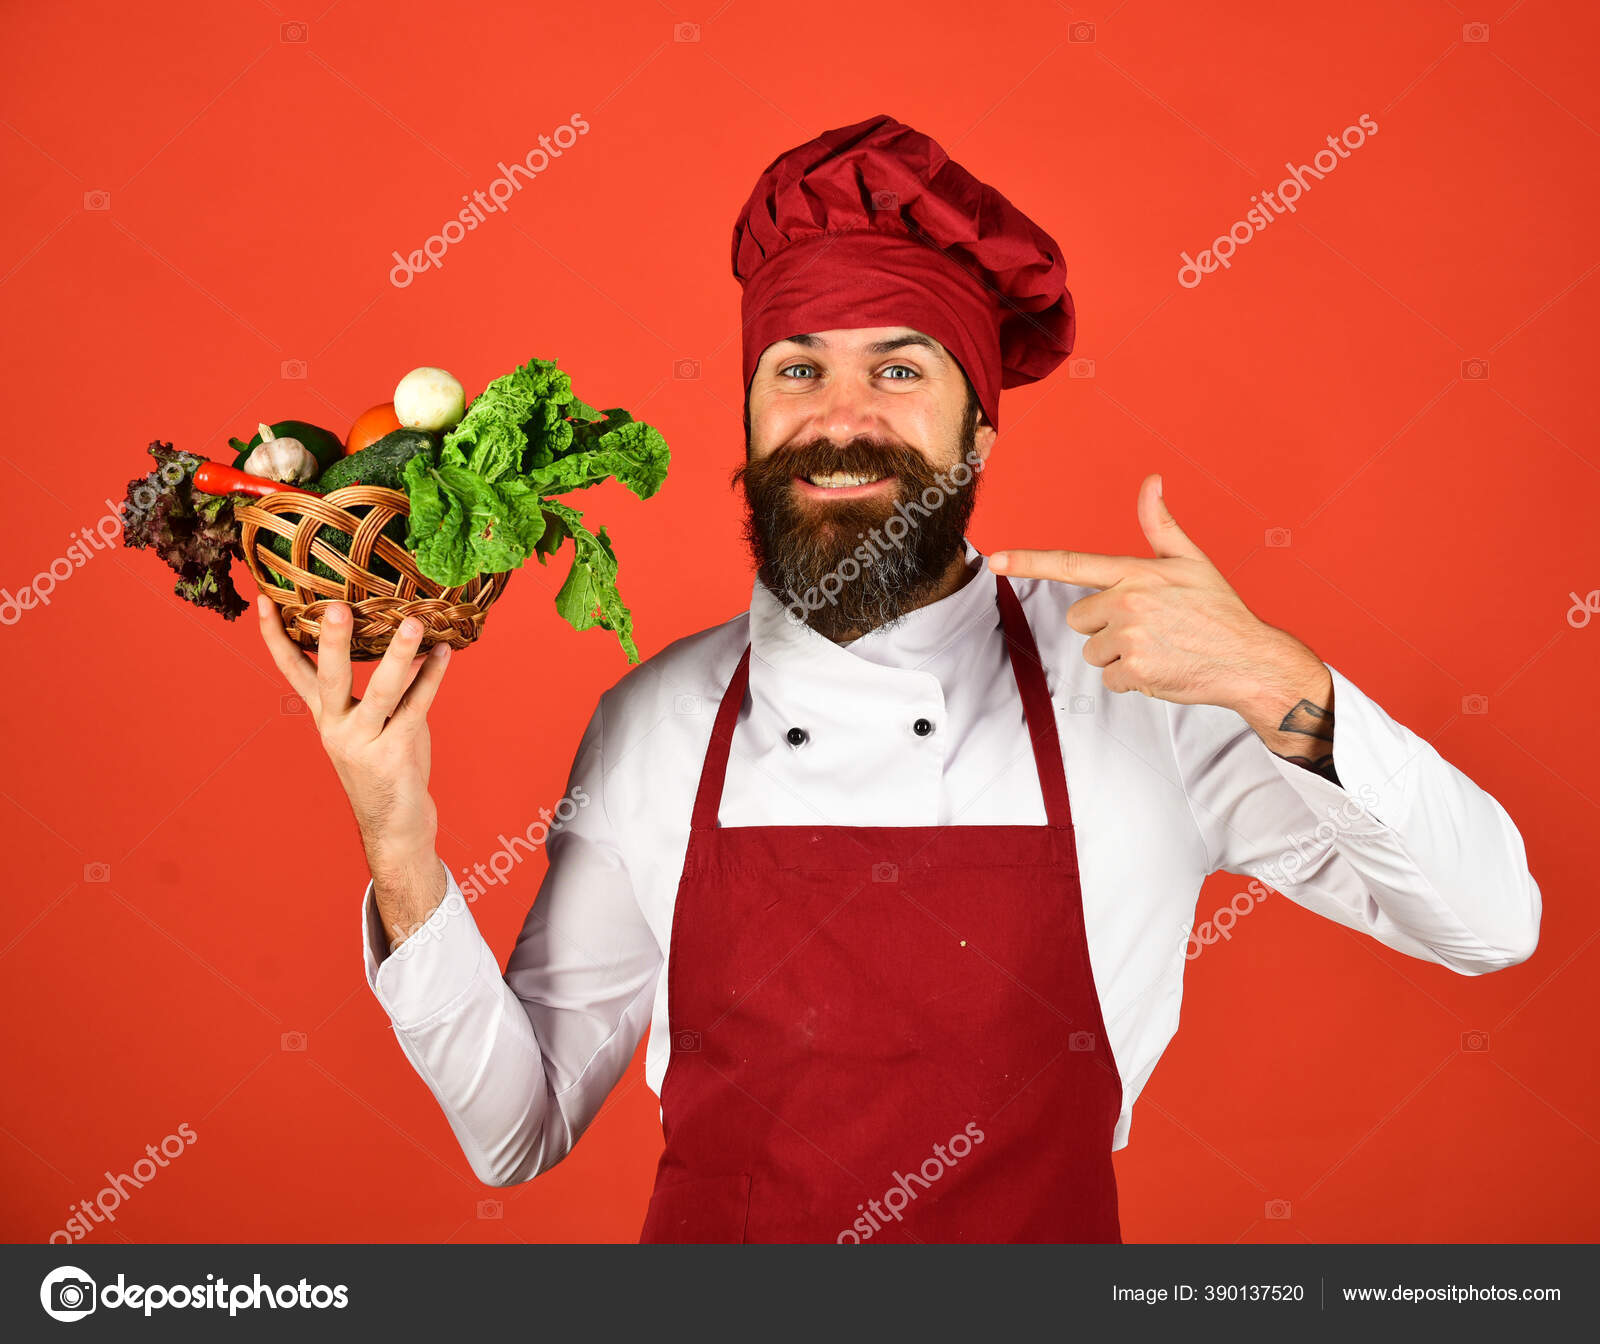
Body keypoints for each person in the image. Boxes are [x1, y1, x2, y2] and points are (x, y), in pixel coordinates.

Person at [258, 114, 1541, 1244]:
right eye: (797, 368)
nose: (841, 412)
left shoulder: (1139, 682)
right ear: (753, 418)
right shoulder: (655, 721)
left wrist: (1279, 683)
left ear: (980, 424)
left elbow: (1490, 926)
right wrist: (399, 834)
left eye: (899, 368)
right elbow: (514, 1131)